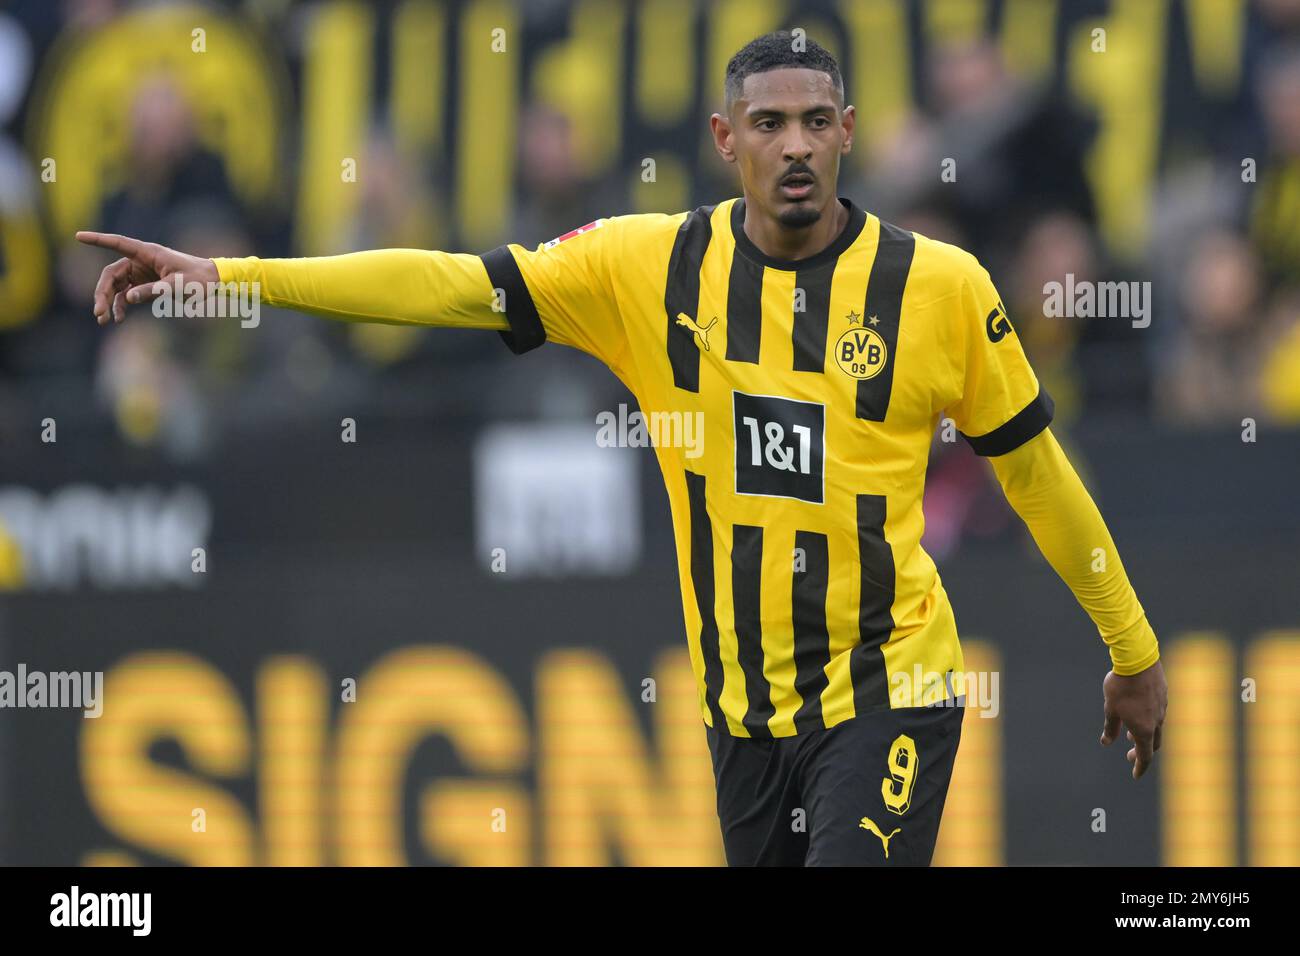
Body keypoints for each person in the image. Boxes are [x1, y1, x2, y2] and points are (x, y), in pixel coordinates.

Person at [77, 31, 1167, 867]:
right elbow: (457, 283)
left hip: (892, 689)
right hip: (742, 713)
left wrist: (1130, 646)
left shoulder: (939, 288)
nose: (794, 144)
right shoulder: (645, 269)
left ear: (846, 132)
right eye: (770, 121)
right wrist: (236, 277)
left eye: (816, 120)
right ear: (724, 137)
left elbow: (1035, 472)